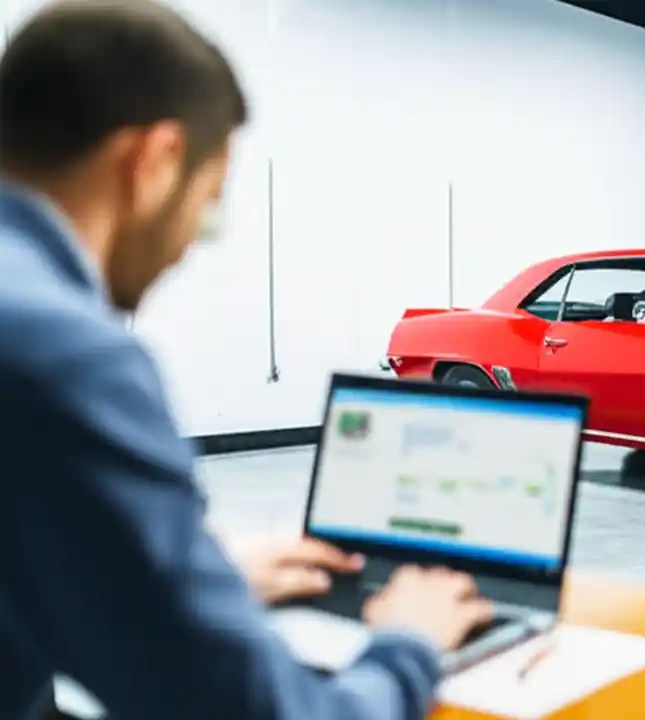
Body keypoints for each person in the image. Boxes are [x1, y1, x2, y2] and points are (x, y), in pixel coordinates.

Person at [0, 2, 492, 719]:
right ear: (153, 161)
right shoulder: (68, 355)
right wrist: (408, 643)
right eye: (206, 207)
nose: (187, 248)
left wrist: (193, 584)